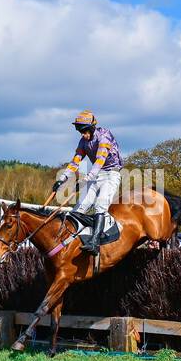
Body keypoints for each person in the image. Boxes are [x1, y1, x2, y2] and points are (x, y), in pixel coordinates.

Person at [53, 109, 122, 255]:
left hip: (111, 174)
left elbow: (100, 160)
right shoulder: (83, 141)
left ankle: (95, 243)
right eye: (80, 131)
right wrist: (62, 179)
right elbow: (76, 160)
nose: (83, 134)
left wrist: (88, 177)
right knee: (79, 208)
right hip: (96, 175)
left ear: (91, 127)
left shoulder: (104, 135)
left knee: (100, 205)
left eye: (84, 130)